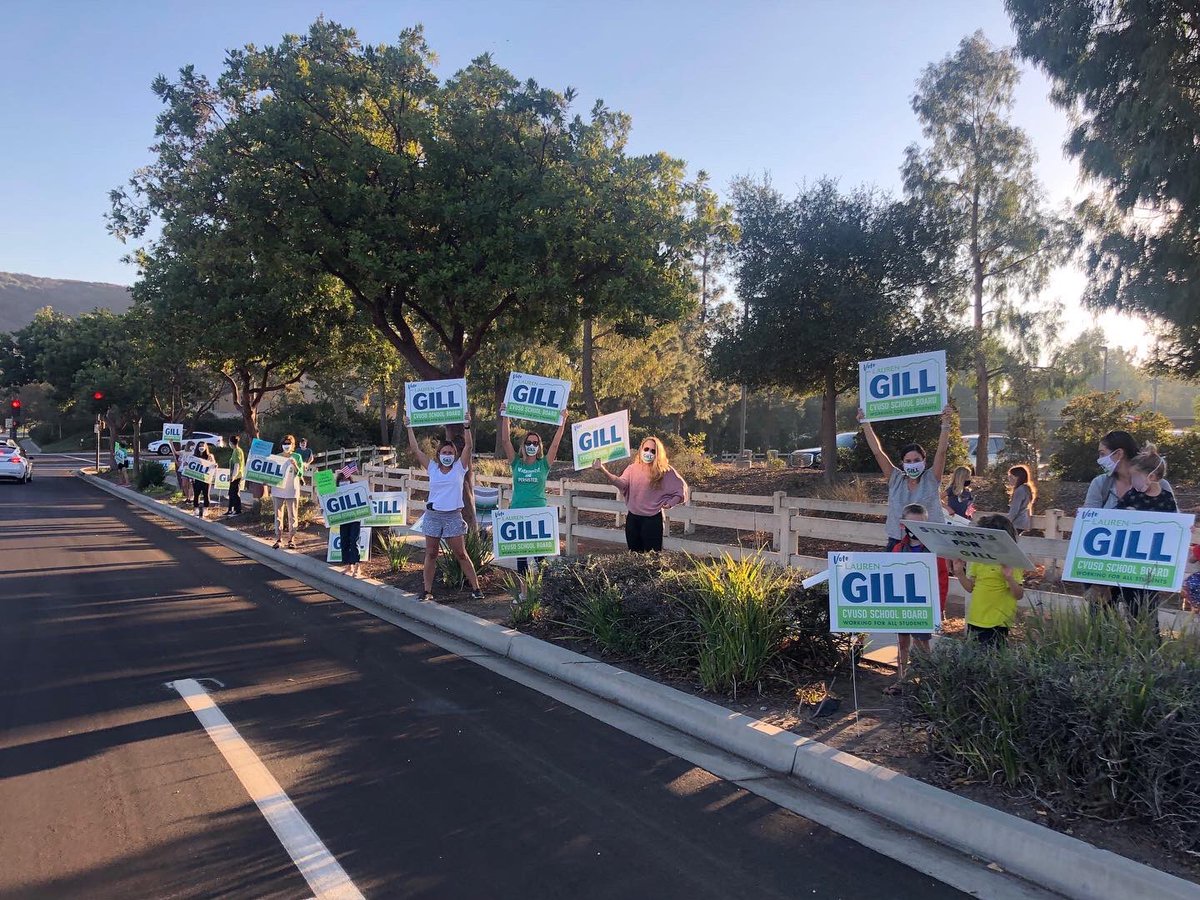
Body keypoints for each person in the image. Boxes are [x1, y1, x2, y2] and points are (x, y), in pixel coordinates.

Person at [404, 412, 484, 601]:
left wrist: (466, 426)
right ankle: (427, 590)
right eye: (444, 452)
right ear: (439, 454)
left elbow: (469, 446)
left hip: (453, 516)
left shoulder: (459, 468)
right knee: (431, 553)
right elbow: (415, 449)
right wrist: (409, 427)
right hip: (433, 515)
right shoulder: (432, 467)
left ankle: (476, 588)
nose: (447, 455)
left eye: (450, 453)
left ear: (455, 455)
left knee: (461, 554)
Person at [858, 405, 953, 549]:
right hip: (898, 542)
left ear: (924, 461)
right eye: (908, 461)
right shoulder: (895, 479)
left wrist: (946, 423)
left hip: (929, 543)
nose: (912, 464)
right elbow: (878, 452)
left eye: (916, 460)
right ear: (902, 463)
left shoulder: (931, 478)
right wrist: (865, 423)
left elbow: (941, 452)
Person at [498, 405, 568, 600]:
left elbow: (555, 445)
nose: (532, 445)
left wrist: (562, 422)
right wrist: (506, 416)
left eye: (535, 443)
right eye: (529, 442)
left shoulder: (543, 464)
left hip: (538, 515)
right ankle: (524, 593)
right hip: (518, 514)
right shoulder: (517, 463)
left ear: (539, 447)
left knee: (540, 558)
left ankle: (544, 593)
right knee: (522, 558)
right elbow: (504, 440)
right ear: (524, 444)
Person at [1112, 443, 1177, 636]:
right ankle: (1133, 642)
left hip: (1152, 565)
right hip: (1132, 562)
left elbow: (1174, 525)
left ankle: (1150, 644)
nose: (1133, 482)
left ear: (1153, 476)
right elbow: (1115, 517)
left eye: (1136, 477)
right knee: (1131, 603)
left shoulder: (1166, 499)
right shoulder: (1131, 496)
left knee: (1149, 606)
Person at [885, 503, 949, 694]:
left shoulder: (933, 551)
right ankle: (902, 680)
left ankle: (928, 680)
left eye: (920, 524)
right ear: (903, 525)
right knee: (903, 643)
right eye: (911, 524)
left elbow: (942, 579)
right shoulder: (898, 548)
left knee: (922, 643)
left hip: (924, 605)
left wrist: (940, 606)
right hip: (903, 604)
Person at [593, 436, 689, 553]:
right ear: (641, 449)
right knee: (634, 556)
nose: (648, 453)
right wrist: (603, 470)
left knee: (652, 558)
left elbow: (681, 489)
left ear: (658, 453)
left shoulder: (665, 471)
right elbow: (621, 483)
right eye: (646, 449)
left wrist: (670, 503)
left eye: (653, 451)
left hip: (652, 520)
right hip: (633, 518)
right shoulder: (632, 469)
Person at [952, 514, 1024, 647]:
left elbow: (1018, 594)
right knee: (973, 659)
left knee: (993, 661)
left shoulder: (1011, 560)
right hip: (976, 618)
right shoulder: (978, 558)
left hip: (998, 622)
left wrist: (1009, 578)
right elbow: (970, 588)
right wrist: (959, 573)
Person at [1083, 430, 1174, 510]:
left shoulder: (1160, 485)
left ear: (1119, 453)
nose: (1099, 460)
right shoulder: (1100, 484)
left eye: (1102, 454)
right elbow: (1089, 519)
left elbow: (1174, 520)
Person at [272, 434, 304, 550]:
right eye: (284, 444)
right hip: (278, 490)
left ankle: (291, 539)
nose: (286, 446)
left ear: (293, 445)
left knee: (293, 515)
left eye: (288, 444)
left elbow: (300, 474)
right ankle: (279, 538)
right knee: (278, 515)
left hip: (292, 490)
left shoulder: (297, 456)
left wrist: (295, 464)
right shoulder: (277, 457)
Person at [335, 470, 363, 577]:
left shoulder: (355, 488)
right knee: (344, 541)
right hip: (344, 519)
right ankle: (349, 565)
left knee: (353, 540)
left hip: (355, 518)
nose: (344, 482)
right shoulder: (336, 491)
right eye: (341, 480)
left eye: (346, 479)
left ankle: (357, 566)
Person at [1005, 464, 1035, 534]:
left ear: (1017, 477)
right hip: (1024, 523)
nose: (1009, 479)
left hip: (1016, 523)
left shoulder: (1019, 490)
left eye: (1010, 477)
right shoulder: (1026, 489)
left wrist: (1006, 523)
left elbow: (1014, 511)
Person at [191, 442, 217, 519]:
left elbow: (214, 465)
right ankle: (196, 509)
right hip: (196, 478)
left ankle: (206, 509)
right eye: (200, 446)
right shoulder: (194, 456)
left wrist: (215, 465)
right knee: (196, 494)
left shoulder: (210, 456)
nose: (201, 447)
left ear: (206, 447)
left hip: (206, 479)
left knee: (206, 494)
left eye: (203, 446)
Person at [225, 434, 244, 516]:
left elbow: (237, 464)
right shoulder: (236, 450)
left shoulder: (237, 451)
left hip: (237, 476)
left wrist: (233, 476)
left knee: (235, 493)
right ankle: (230, 509)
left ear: (231, 442)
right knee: (231, 493)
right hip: (235, 475)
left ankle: (237, 510)